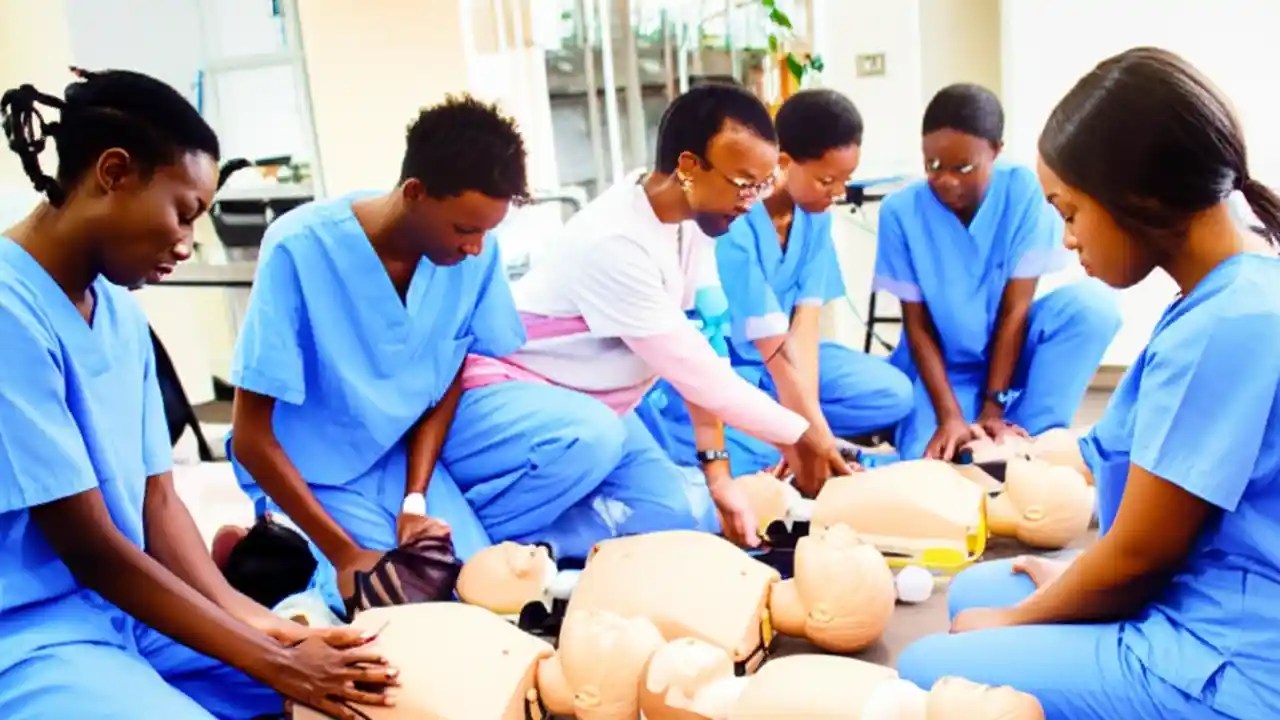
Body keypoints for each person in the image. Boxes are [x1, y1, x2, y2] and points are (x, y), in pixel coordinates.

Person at [896, 47, 1280, 720]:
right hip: (1207, 581)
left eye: (1070, 212)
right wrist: (1062, 590)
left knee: (928, 670)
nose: (1067, 239)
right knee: (970, 594)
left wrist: (1031, 618)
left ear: (1142, 195)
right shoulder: (1235, 282)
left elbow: (1138, 557)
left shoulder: (1224, 326)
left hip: (1233, 651)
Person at [0, 69, 395, 720]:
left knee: (374, 683)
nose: (185, 243)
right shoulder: (12, 312)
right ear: (114, 172)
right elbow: (94, 550)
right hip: (34, 632)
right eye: (183, 213)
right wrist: (277, 662)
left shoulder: (121, 315)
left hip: (126, 612)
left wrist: (262, 625)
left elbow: (159, 503)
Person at [459, 83, 813, 551]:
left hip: (593, 405)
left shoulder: (697, 225)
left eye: (762, 186)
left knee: (670, 515)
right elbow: (703, 378)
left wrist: (718, 470)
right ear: (689, 166)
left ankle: (550, 539)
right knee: (594, 438)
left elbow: (703, 351)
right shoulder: (614, 241)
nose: (751, 201)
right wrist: (805, 438)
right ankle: (475, 544)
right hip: (509, 397)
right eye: (744, 183)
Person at [227, 95, 525, 613]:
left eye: (486, 231)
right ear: (415, 193)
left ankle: (281, 561)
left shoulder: (475, 256)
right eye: (464, 229)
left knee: (481, 595)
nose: (476, 247)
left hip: (391, 456)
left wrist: (415, 500)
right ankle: (268, 567)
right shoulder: (299, 248)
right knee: (389, 606)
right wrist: (344, 554)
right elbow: (252, 437)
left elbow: (451, 367)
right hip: (307, 466)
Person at [636, 89, 913, 490]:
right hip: (739, 364)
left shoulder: (814, 218)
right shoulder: (730, 219)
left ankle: (798, 435)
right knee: (765, 443)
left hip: (790, 360)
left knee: (893, 394)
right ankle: (783, 441)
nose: (836, 193)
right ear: (784, 163)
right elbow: (769, 346)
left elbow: (806, 324)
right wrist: (806, 434)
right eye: (826, 179)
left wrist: (810, 420)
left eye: (845, 181)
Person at [873, 83, 1122, 461]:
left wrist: (994, 407)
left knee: (1094, 307)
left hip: (1012, 353)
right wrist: (950, 416)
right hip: (944, 370)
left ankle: (1030, 436)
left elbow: (1015, 311)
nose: (946, 179)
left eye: (963, 167)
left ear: (996, 151)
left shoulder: (1023, 191)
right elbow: (918, 327)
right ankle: (955, 430)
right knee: (930, 459)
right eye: (932, 166)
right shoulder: (901, 212)